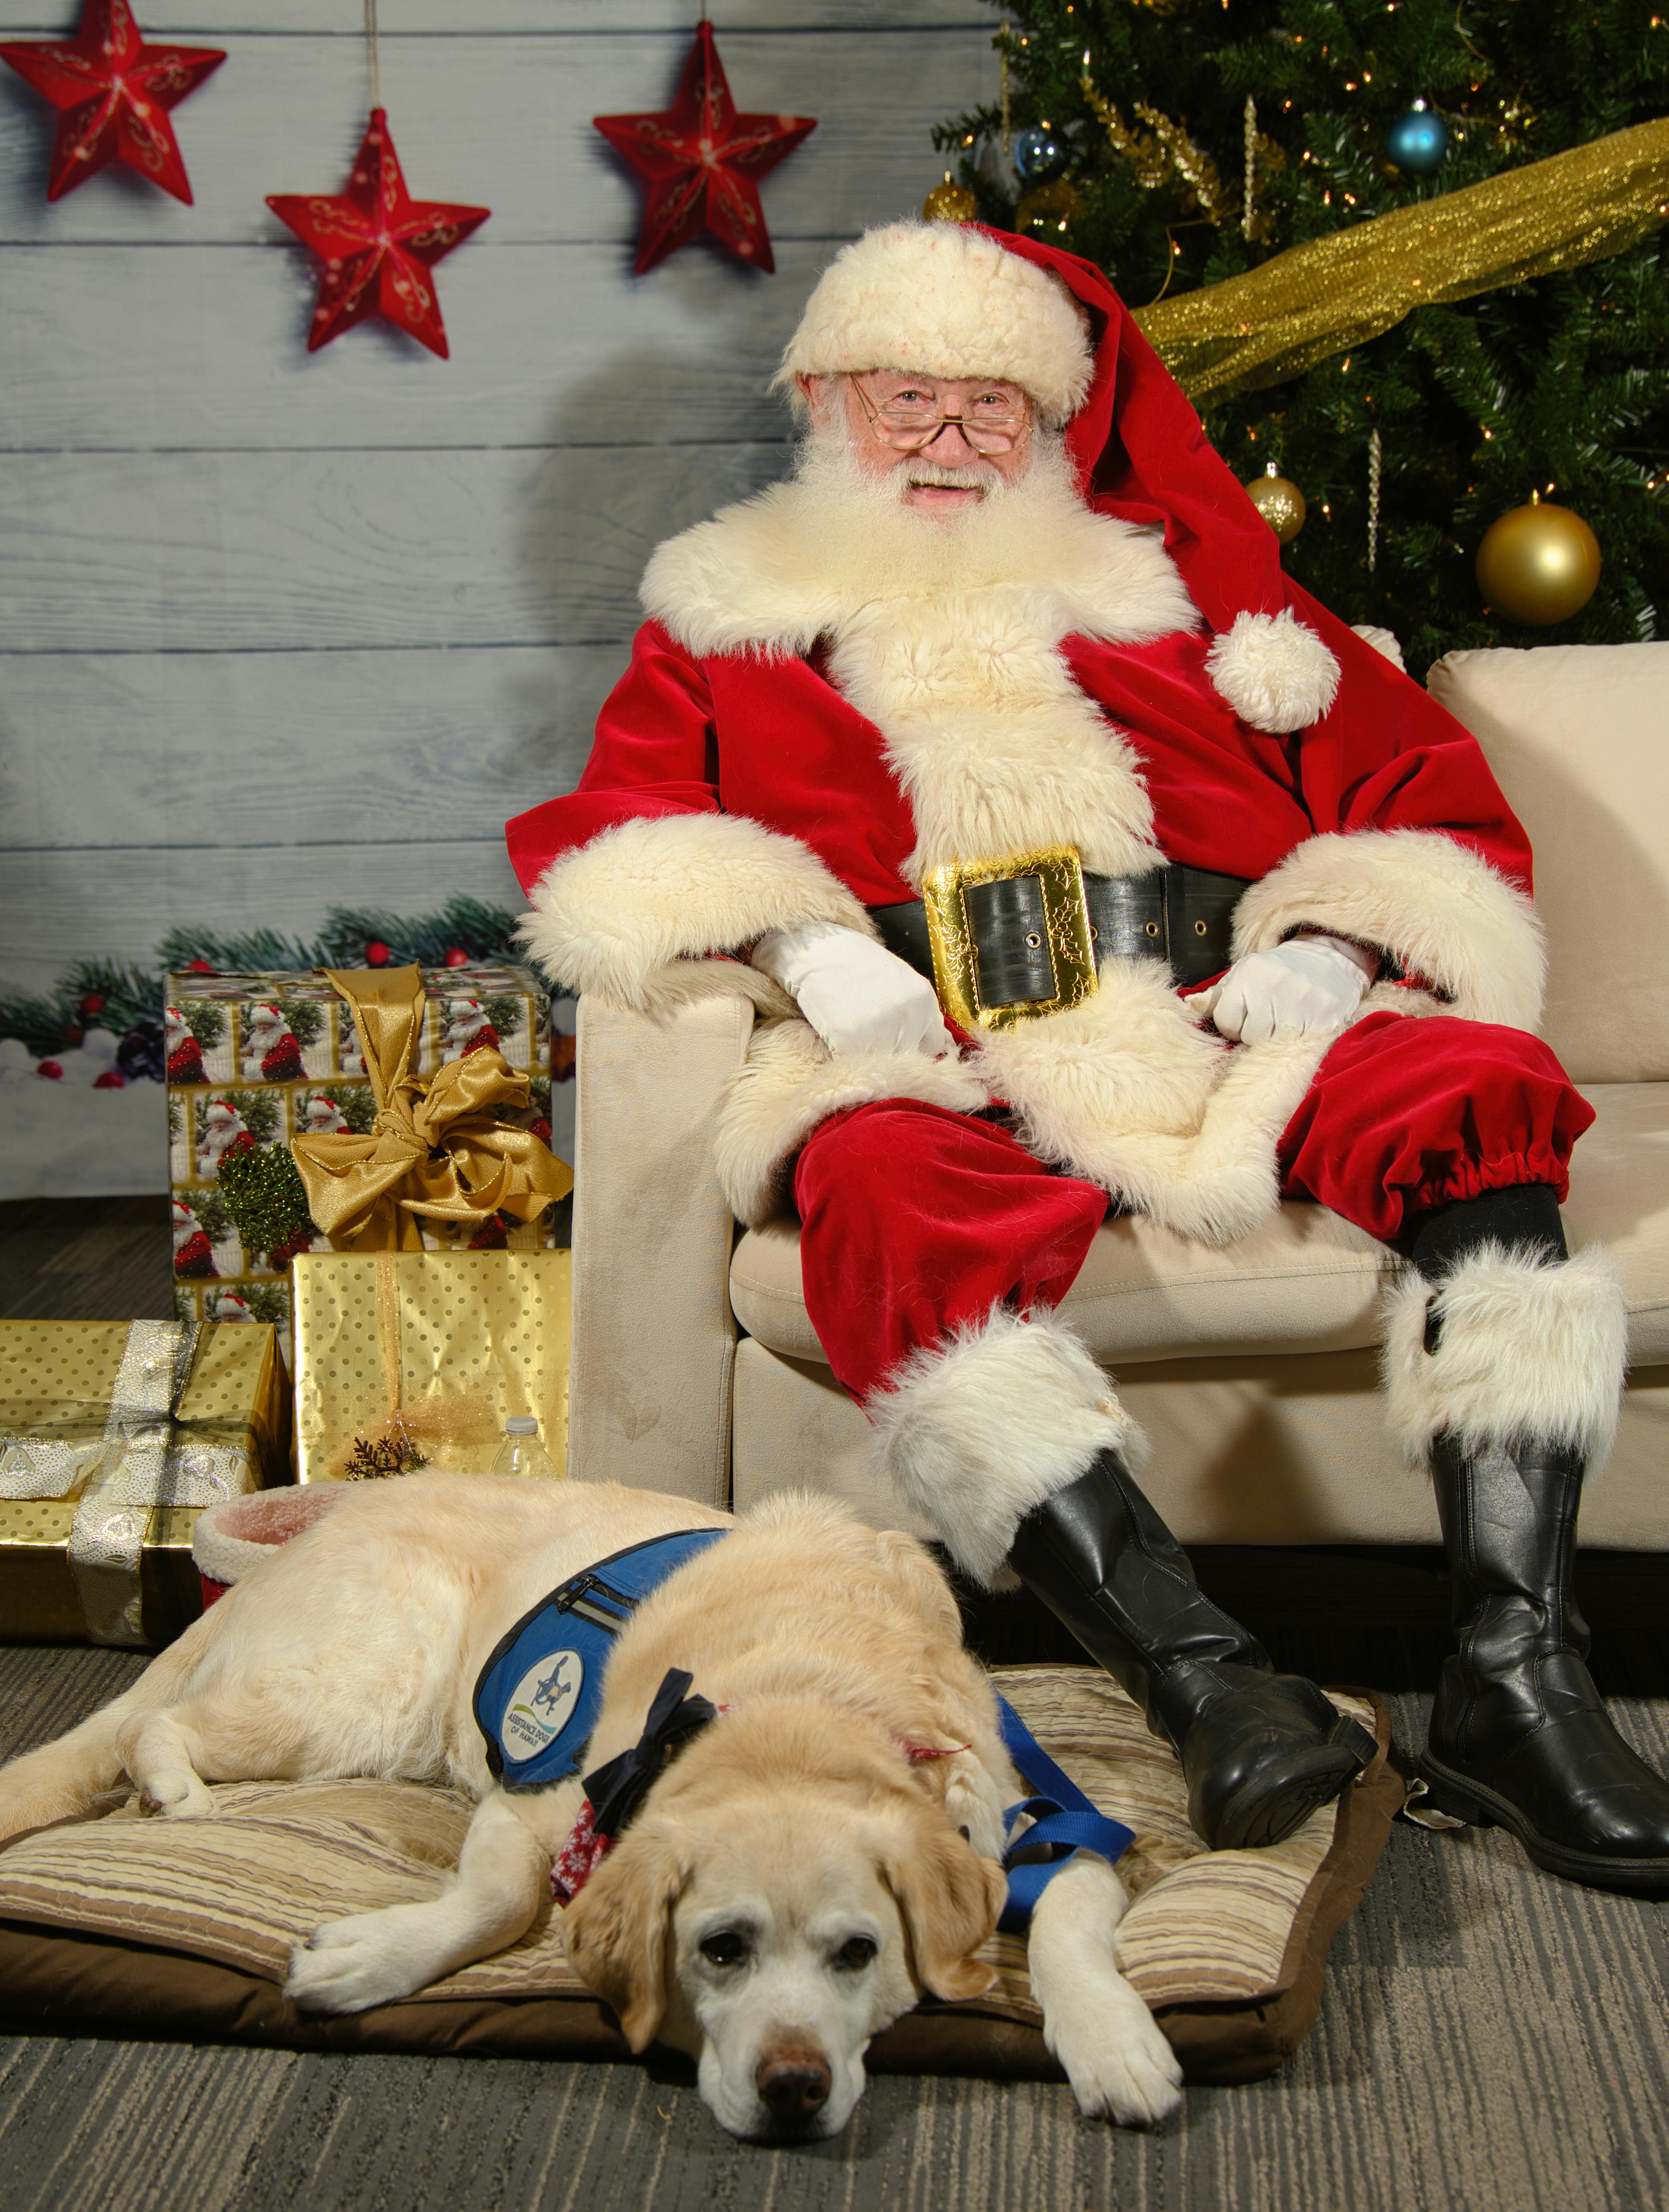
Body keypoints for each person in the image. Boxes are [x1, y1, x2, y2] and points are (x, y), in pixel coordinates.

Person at [506, 222, 1666, 1887]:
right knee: (877, 1183)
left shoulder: (1186, 598)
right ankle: (1207, 1684)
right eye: (910, 399)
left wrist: (1336, 949)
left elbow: (1423, 798)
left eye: (993, 406)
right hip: (936, 1047)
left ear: (1055, 422)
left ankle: (1517, 1680)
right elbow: (622, 834)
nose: (951, 440)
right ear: (827, 401)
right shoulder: (728, 608)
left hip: (1220, 1020)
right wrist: (806, 947)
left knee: (1470, 1091)